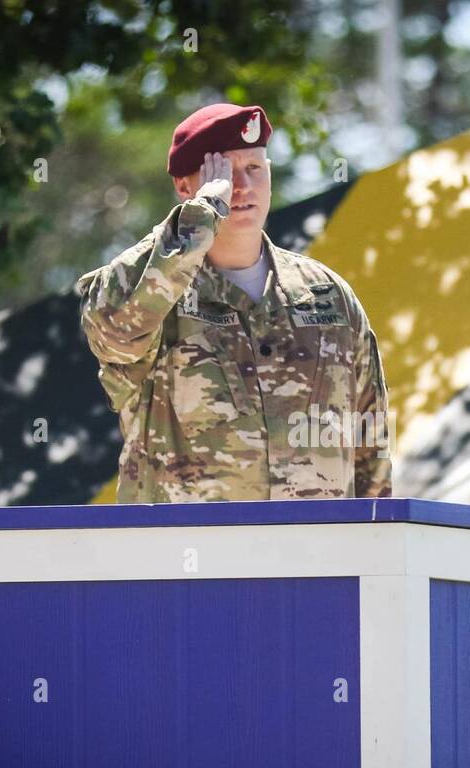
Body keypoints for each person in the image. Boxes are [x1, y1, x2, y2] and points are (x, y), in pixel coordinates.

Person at [76, 103, 392, 503]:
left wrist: (374, 548)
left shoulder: (327, 296)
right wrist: (199, 218)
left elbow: (370, 438)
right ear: (184, 187)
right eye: (223, 173)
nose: (241, 186)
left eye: (255, 169)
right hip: (189, 560)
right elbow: (111, 328)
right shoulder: (156, 295)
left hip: (312, 559)